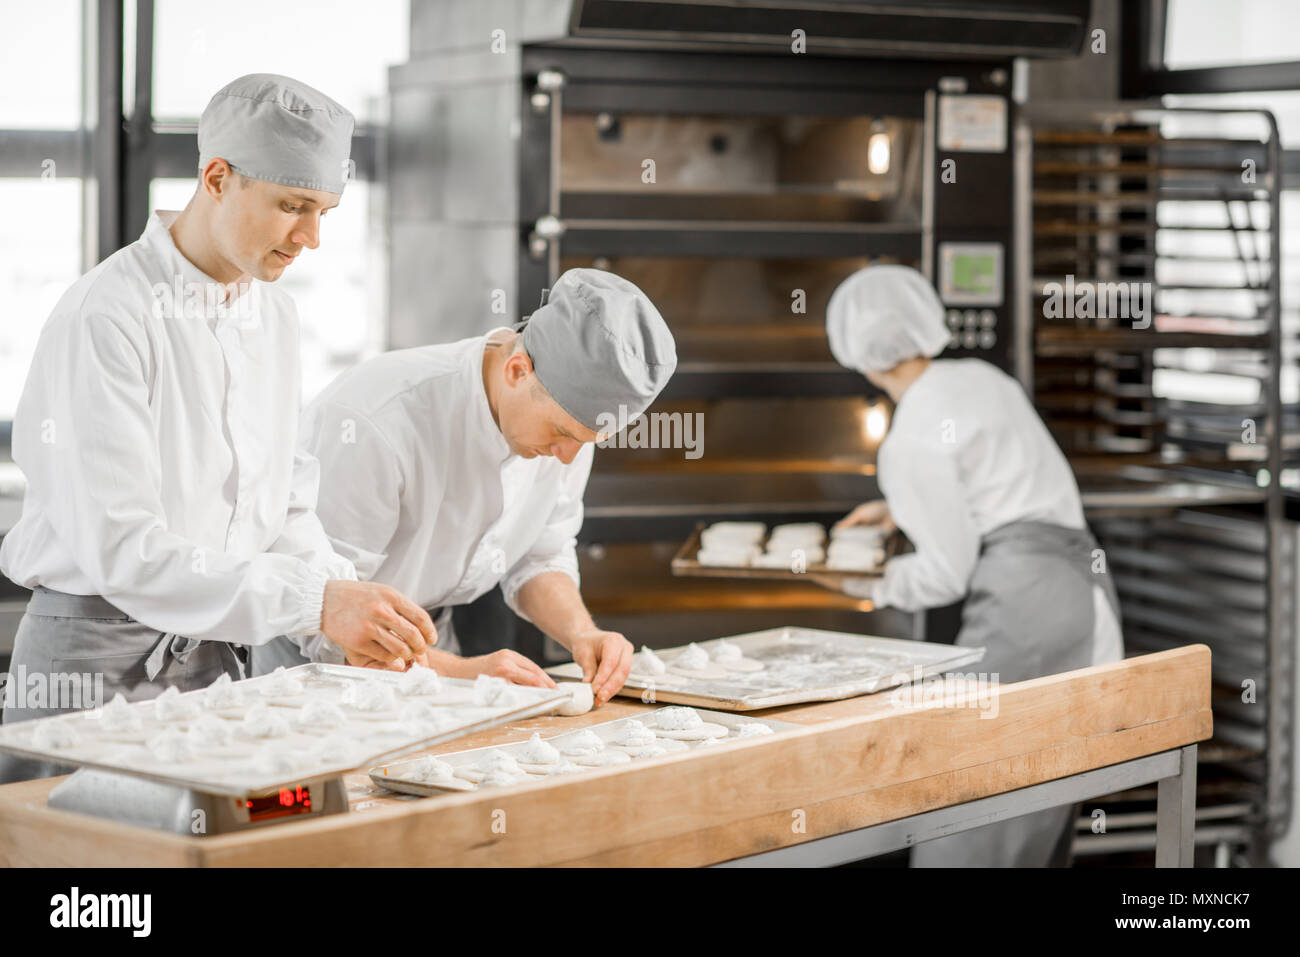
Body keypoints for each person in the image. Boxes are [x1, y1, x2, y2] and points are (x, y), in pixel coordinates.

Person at [0, 75, 434, 776]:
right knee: (77, 874)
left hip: (217, 665)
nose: (312, 238)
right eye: (293, 205)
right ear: (217, 177)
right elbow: (124, 549)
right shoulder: (108, 315)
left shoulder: (275, 316)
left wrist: (337, 612)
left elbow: (284, 506)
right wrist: (315, 602)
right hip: (91, 665)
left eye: (324, 210)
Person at [250, 268, 677, 706]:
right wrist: (460, 673)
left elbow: (540, 555)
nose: (568, 457)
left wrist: (582, 632)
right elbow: (328, 613)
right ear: (516, 370)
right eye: (562, 433)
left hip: (423, 660)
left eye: (590, 442)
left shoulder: (566, 426)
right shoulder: (376, 420)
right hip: (308, 677)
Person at [823, 264, 1123, 867]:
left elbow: (944, 576)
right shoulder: (984, 379)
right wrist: (897, 509)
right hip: (1081, 593)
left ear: (859, 357)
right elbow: (997, 485)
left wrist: (858, 580)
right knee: (1044, 780)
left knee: (970, 786)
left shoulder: (907, 442)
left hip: (1025, 608)